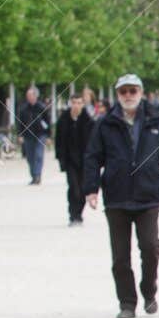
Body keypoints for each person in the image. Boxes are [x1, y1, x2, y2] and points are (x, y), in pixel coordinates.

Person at [82, 74, 159, 318]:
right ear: (117, 95)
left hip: (147, 196)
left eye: (133, 91)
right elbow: (92, 157)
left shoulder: (157, 122)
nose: (128, 96)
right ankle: (127, 303)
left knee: (150, 247)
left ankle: (148, 291)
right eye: (124, 92)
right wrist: (91, 189)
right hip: (116, 197)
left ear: (141, 92)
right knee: (120, 256)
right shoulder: (104, 124)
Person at [54, 93, 95, 226]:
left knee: (83, 189)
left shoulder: (88, 120)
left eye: (79, 103)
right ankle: (73, 214)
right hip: (70, 160)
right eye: (74, 102)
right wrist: (60, 158)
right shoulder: (63, 119)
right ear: (70, 104)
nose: (76, 105)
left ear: (83, 104)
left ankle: (79, 214)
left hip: (84, 161)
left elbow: (93, 142)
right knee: (73, 187)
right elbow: (58, 140)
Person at [16, 86, 49, 185]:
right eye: (28, 96)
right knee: (30, 157)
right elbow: (20, 123)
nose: (29, 97)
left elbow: (47, 122)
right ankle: (34, 176)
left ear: (35, 96)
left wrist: (48, 135)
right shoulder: (23, 109)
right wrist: (20, 135)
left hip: (40, 135)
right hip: (27, 135)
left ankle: (38, 175)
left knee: (38, 155)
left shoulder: (42, 108)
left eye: (30, 95)